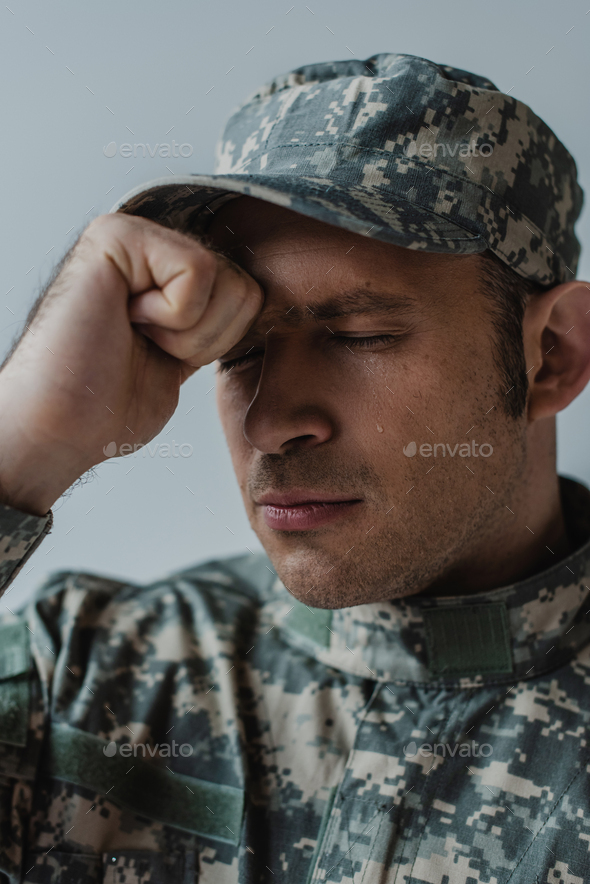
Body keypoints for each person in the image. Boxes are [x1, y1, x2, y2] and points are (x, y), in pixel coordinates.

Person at [0, 51, 588, 884]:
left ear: (552, 355)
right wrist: (23, 445)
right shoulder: (85, 683)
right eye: (237, 350)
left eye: (359, 337)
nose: (271, 422)